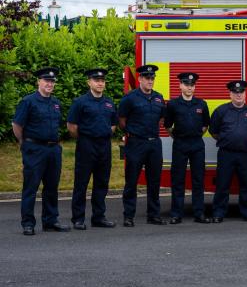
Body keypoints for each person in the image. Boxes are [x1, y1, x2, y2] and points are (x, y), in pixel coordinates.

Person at [13, 67, 70, 235]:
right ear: (39, 81)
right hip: (35, 149)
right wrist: (24, 143)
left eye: (52, 81)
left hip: (53, 149)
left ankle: (50, 221)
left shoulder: (56, 103)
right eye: (46, 81)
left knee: (52, 187)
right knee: (31, 187)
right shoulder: (28, 101)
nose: (49, 84)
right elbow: (17, 125)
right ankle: (28, 223)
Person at [67, 68, 118, 230]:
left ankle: (99, 217)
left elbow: (113, 124)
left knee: (102, 183)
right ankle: (78, 218)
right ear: (89, 82)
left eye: (102, 81)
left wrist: (105, 134)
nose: (100, 83)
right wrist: (84, 139)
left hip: (104, 145)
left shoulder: (109, 102)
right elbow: (71, 126)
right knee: (81, 183)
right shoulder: (80, 102)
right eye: (96, 80)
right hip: (86, 145)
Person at [118, 64, 167, 227]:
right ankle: (128, 216)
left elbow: (161, 118)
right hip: (136, 143)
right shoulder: (130, 98)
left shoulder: (159, 97)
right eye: (147, 78)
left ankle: (153, 215)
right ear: (140, 79)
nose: (150, 81)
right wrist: (134, 132)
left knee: (154, 181)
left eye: (152, 78)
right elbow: (122, 120)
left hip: (154, 144)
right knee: (131, 181)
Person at [209, 80, 247, 223]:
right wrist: (227, 140)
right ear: (230, 94)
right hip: (226, 153)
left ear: (245, 94)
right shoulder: (221, 111)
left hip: (246, 154)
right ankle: (218, 213)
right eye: (235, 92)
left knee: (246, 185)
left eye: (241, 92)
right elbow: (213, 131)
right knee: (222, 184)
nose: (238, 95)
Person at [164, 72, 211, 224]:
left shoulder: (201, 104)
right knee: (178, 180)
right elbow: (168, 125)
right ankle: (176, 214)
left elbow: (205, 125)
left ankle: (199, 213)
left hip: (197, 144)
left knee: (198, 180)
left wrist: (196, 135)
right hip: (180, 144)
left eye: (192, 85)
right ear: (180, 85)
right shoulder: (173, 104)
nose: (190, 87)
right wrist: (177, 137)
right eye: (186, 84)